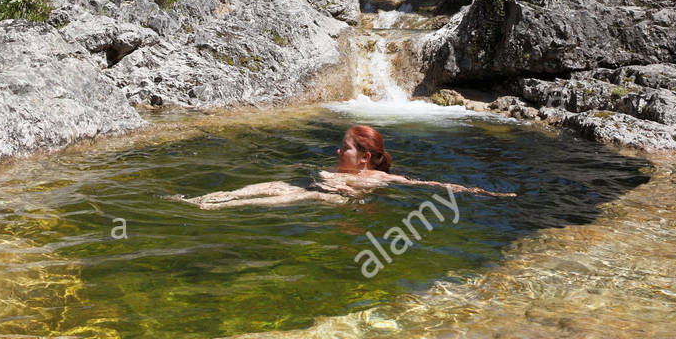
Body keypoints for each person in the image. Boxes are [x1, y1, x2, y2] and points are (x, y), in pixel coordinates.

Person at [172, 125, 514, 209]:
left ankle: (216, 208)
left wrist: (476, 191)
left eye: (345, 148)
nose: (338, 151)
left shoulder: (380, 176)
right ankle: (208, 197)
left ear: (364, 156)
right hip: (321, 188)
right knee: (276, 183)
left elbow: (428, 185)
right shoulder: (339, 170)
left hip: (337, 200)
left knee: (304, 198)